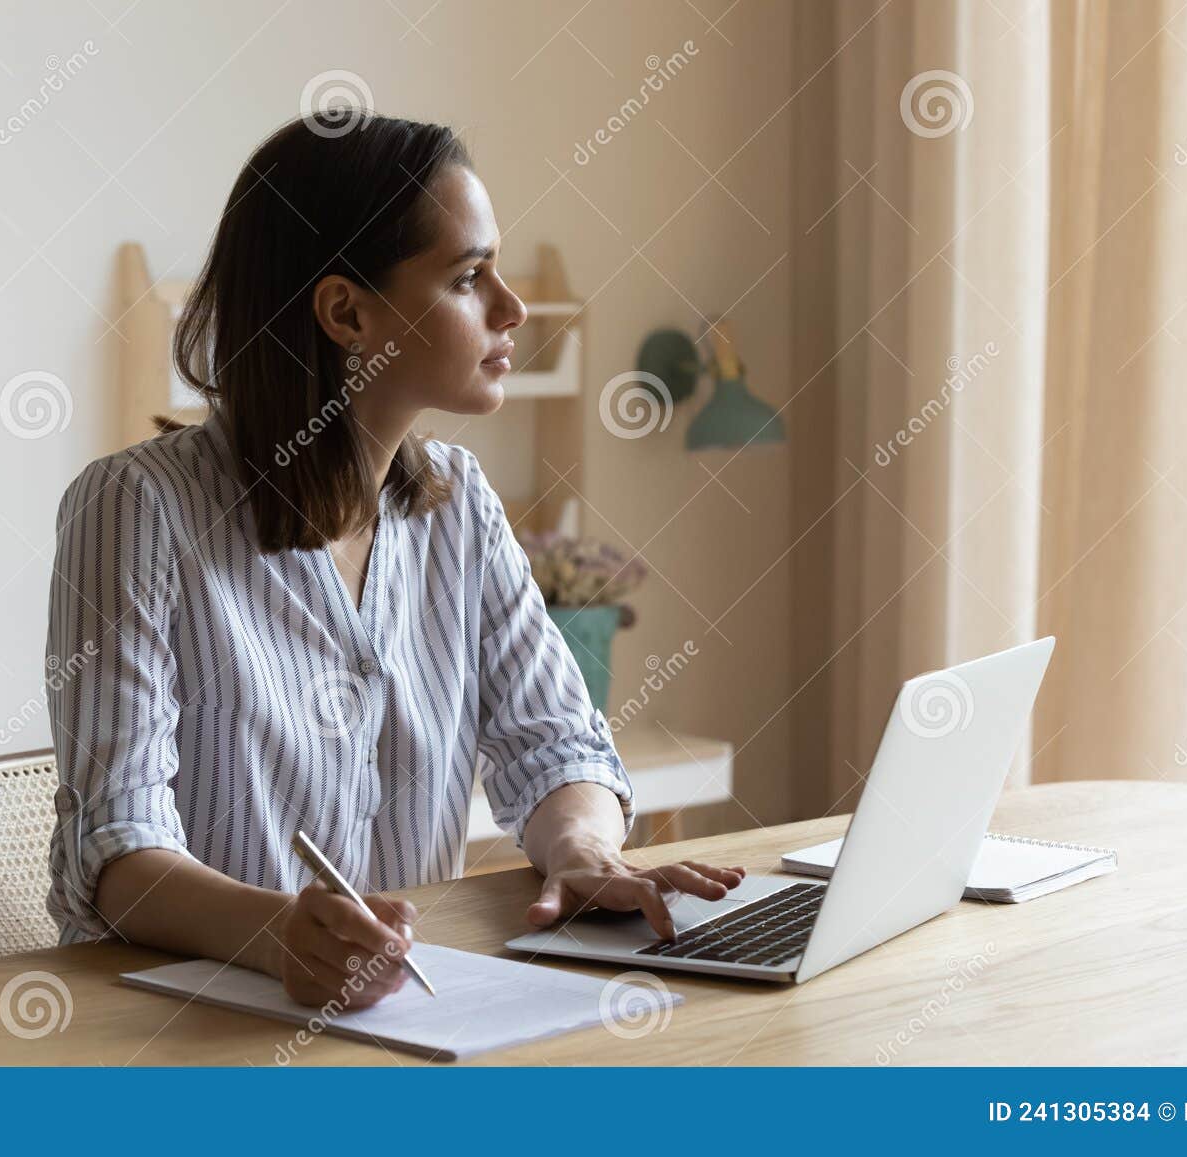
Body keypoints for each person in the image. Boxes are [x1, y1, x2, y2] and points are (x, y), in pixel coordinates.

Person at [45, 110, 745, 1010]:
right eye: (468, 276)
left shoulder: (461, 506)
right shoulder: (136, 509)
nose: (511, 306)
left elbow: (558, 742)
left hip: (409, 1018)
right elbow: (117, 841)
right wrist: (277, 933)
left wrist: (583, 852)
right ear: (345, 311)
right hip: (183, 1029)